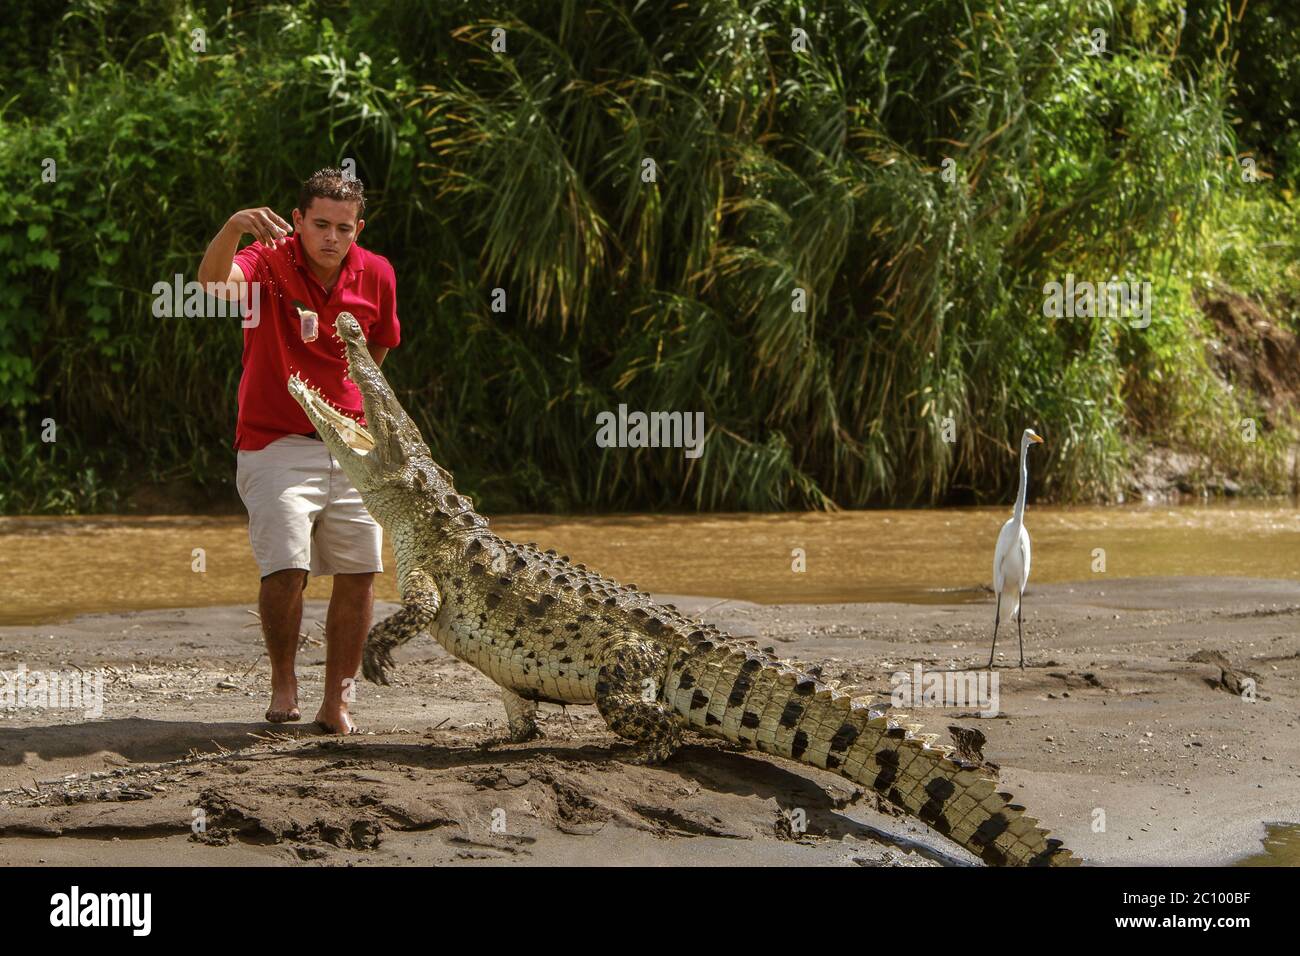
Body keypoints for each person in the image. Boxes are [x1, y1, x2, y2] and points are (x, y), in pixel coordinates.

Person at [197, 167, 400, 734]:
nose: (331, 237)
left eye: (343, 227)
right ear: (298, 221)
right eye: (319, 225)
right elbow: (213, 284)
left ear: (357, 228)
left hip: (352, 441)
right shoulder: (267, 260)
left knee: (361, 570)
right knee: (287, 567)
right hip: (274, 438)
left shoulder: (377, 272)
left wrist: (352, 404)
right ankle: (283, 681)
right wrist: (236, 226)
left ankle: (337, 699)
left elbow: (381, 341)